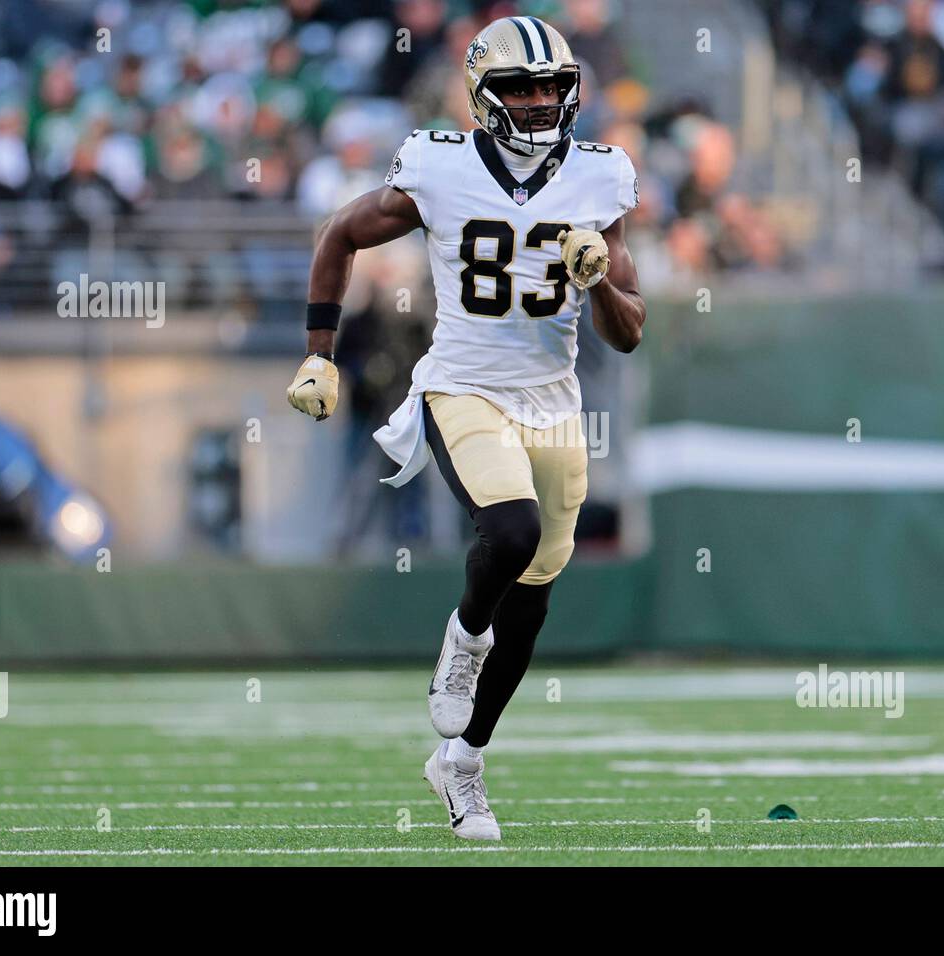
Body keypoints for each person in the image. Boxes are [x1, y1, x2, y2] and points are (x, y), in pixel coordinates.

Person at [284, 16, 645, 840]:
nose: (539, 101)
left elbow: (630, 328)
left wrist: (597, 284)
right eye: (520, 87)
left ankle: (462, 765)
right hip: (464, 386)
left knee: (534, 603)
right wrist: (319, 352)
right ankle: (463, 634)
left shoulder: (600, 177)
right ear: (484, 97)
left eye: (552, 86)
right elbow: (340, 232)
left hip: (553, 400)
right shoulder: (440, 165)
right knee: (509, 532)